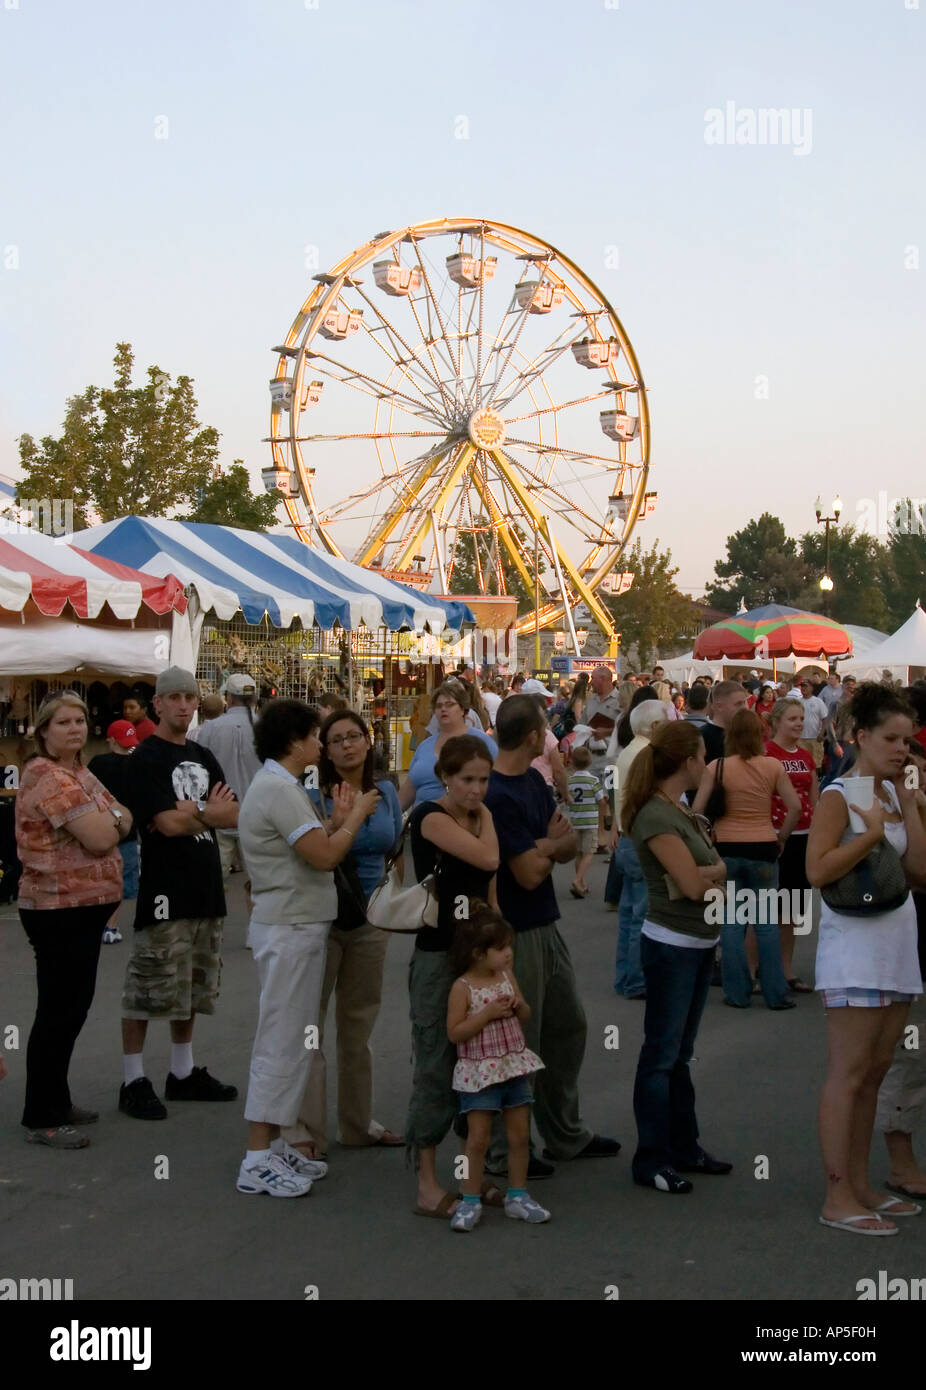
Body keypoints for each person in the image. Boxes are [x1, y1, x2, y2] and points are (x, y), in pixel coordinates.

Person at [236, 699, 379, 1196]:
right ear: (296, 741)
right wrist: (356, 814)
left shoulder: (282, 786)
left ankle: (273, 1147)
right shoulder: (279, 788)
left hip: (298, 925)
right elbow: (323, 857)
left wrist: (340, 820)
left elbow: (318, 847)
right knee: (281, 1038)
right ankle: (257, 1157)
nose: (323, 744)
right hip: (290, 927)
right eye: (317, 736)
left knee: (295, 1039)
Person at [483, 695, 619, 1178]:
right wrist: (551, 845)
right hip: (516, 931)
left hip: (546, 923)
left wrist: (549, 847)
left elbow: (558, 853)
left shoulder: (535, 786)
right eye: (544, 729)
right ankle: (504, 1149)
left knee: (567, 1027)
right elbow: (526, 872)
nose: (550, 736)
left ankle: (564, 1132)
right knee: (518, 1040)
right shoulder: (498, 795)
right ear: (531, 736)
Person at [809, 683, 926, 1235]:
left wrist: (908, 807)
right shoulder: (840, 794)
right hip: (854, 950)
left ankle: (860, 1185)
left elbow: (919, 872)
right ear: (860, 736)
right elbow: (816, 869)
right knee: (849, 1074)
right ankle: (838, 1195)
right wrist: (872, 835)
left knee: (875, 1074)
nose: (903, 748)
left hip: (897, 948)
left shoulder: (888, 794)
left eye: (908, 739)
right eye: (891, 738)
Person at [118, 667, 240, 1121]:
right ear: (159, 704)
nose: (185, 706)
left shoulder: (203, 755)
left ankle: (182, 1071)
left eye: (191, 697)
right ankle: (132, 1078)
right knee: (149, 986)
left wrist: (198, 810)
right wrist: (207, 812)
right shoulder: (145, 759)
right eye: (175, 698)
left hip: (206, 886)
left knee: (191, 986)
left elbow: (233, 814)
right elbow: (167, 825)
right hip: (164, 891)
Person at [281, 710, 404, 1157]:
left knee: (359, 1024)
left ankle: (356, 1123)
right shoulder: (311, 793)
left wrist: (397, 899)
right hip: (323, 918)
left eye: (355, 736)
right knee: (310, 1025)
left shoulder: (386, 789)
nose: (347, 745)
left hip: (371, 918)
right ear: (325, 750)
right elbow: (312, 852)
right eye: (336, 740)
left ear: (368, 742)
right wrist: (343, 820)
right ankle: (306, 1129)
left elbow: (393, 848)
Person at [15, 691, 132, 1148]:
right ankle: (40, 1115)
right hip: (56, 909)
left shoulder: (80, 771)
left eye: (80, 720)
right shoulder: (46, 775)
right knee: (58, 1011)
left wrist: (115, 818)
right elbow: (106, 834)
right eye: (63, 722)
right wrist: (113, 819)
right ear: (44, 731)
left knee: (73, 1008)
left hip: (85, 909)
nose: (75, 728)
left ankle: (57, 1100)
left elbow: (126, 816)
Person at [622, 721, 731, 1192]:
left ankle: (684, 1146)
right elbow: (689, 886)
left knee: (679, 1055)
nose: (706, 765)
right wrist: (716, 871)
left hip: (697, 941)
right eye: (702, 756)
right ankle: (651, 1158)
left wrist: (704, 875)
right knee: (662, 1055)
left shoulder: (678, 810)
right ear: (686, 761)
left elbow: (692, 879)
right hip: (672, 943)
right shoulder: (656, 815)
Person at [406, 736, 500, 1219]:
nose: (477, 789)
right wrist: (486, 820)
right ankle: (426, 1181)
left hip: (476, 955)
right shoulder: (431, 817)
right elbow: (488, 859)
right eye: (467, 779)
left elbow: (491, 885)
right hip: (439, 955)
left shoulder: (479, 818)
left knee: (478, 1064)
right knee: (435, 1065)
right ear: (445, 776)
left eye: (484, 780)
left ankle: (471, 1173)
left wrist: (502, 949)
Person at [446, 903, 549, 1231]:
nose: (508, 954)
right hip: (479, 1072)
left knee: (519, 1135)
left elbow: (526, 1015)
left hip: (513, 1064)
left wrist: (520, 1007)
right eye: (501, 949)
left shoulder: (506, 976)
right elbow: (454, 1031)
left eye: (509, 948)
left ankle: (517, 1197)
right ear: (478, 953)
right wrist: (486, 1015)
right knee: (478, 1139)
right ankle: (469, 1198)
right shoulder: (462, 987)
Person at [693, 709, 801, 1010]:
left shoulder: (718, 767)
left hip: (726, 848)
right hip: (764, 846)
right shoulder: (773, 766)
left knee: (731, 924)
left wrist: (708, 839)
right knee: (765, 924)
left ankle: (737, 992)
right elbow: (794, 807)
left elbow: (698, 811)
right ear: (760, 734)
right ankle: (776, 993)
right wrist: (781, 837)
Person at [875, 738, 926, 1198]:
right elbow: (920, 869)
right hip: (912, 952)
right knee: (911, 1059)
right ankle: (901, 1161)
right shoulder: (893, 807)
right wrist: (913, 804)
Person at [608, 701, 671, 995]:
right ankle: (635, 980)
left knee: (629, 915)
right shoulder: (646, 755)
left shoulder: (629, 751)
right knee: (642, 916)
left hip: (626, 838)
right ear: (656, 726)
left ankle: (626, 977)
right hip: (638, 840)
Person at [764, 699, 818, 991]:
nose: (798, 724)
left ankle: (786, 968)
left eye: (801, 718)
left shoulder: (806, 755)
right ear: (776, 722)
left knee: (793, 907)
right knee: (766, 906)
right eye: (792, 719)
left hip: (803, 834)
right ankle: (757, 967)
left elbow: (813, 794)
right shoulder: (767, 752)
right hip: (773, 835)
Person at [194, 672, 262, 877]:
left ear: (229, 698)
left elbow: (199, 771)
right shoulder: (265, 728)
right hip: (256, 814)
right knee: (262, 886)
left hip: (220, 813)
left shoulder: (211, 728)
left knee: (213, 882)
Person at [400, 683, 496, 810]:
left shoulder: (482, 742)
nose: (443, 709)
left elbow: (496, 785)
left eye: (449, 704)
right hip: (422, 821)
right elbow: (407, 793)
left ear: (463, 709)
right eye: (439, 706)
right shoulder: (424, 746)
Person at [88, 719, 141, 944]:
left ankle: (96, 924)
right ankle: (111, 926)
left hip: (98, 830)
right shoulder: (137, 764)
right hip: (127, 833)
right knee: (119, 883)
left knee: (96, 881)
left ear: (111, 741)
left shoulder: (97, 764)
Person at [585, 667, 622, 848]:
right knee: (595, 797)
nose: (591, 682)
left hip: (611, 757)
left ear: (605, 679)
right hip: (593, 756)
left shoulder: (618, 701)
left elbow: (623, 727)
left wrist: (606, 731)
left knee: (613, 797)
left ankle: (615, 835)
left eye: (594, 678)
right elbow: (583, 722)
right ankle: (599, 837)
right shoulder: (590, 701)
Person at [565, 744, 605, 899]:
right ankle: (577, 880)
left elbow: (567, 800)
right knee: (589, 852)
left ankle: (581, 883)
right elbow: (601, 800)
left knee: (579, 853)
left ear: (572, 762)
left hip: (576, 820)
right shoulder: (593, 780)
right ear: (589, 762)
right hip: (590, 821)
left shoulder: (571, 781)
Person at [699, 680, 748, 763]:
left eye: (744, 703)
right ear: (719, 706)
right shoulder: (701, 737)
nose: (744, 708)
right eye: (738, 704)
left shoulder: (745, 733)